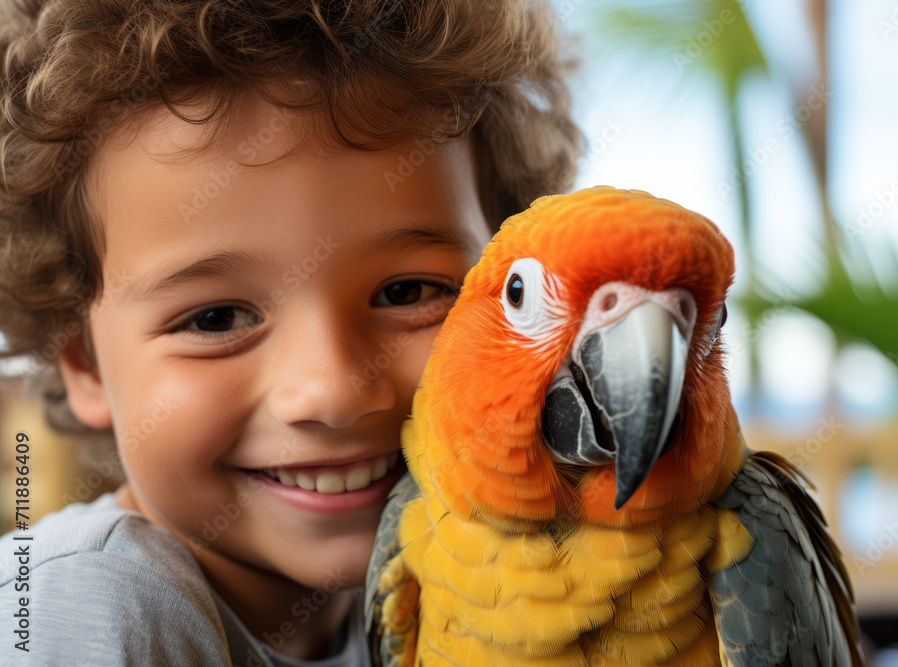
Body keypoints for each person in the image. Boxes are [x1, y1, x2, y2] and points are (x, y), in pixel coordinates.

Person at [0, 0, 582, 664]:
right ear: (85, 364)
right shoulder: (88, 604)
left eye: (409, 292)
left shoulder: (444, 598)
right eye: (215, 319)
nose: (333, 391)